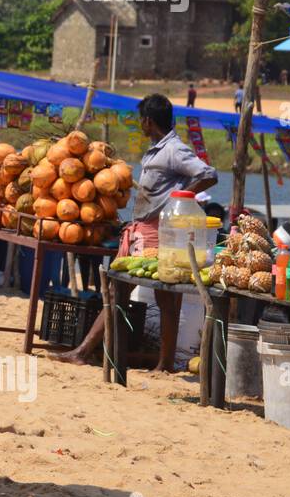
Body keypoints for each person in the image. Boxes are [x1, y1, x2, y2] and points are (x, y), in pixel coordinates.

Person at [56, 94, 218, 371]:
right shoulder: (158, 149)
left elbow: (208, 174)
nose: (140, 125)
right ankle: (92, 352)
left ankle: (92, 353)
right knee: (127, 289)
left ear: (147, 120)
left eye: (141, 120)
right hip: (143, 230)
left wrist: (181, 197)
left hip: (158, 231)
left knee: (151, 293)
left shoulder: (174, 150)